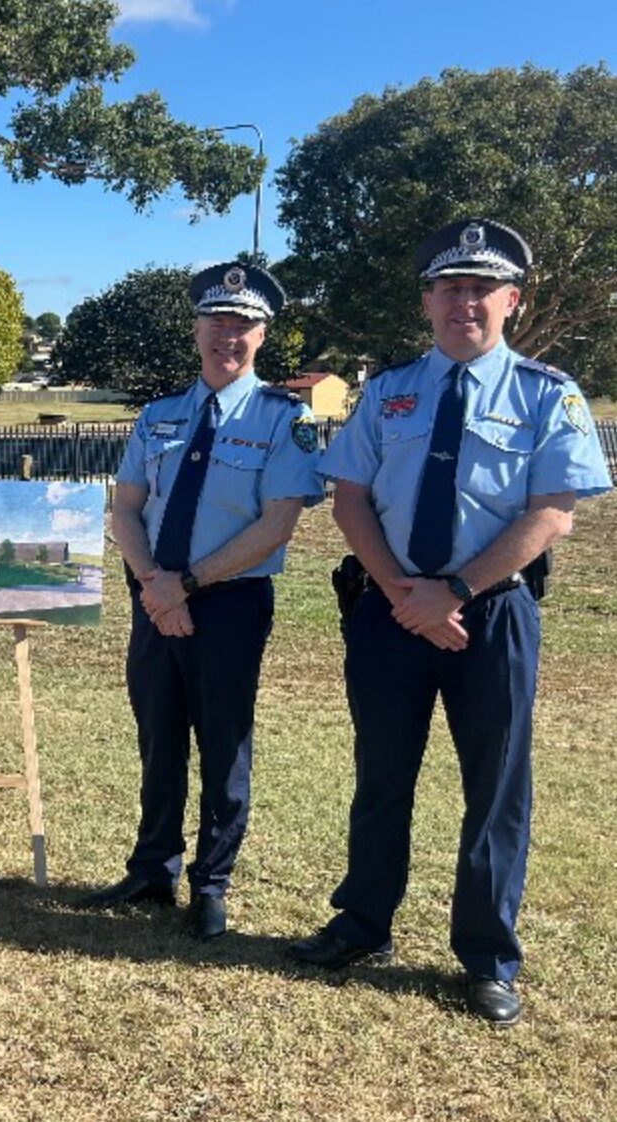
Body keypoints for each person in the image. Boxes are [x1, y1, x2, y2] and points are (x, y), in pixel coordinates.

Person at [289, 218, 612, 1025]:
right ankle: (363, 926)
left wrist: (454, 590)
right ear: (427, 301)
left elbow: (552, 513)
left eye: (481, 288)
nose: (464, 301)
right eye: (449, 287)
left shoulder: (548, 393)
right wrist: (403, 592)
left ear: (510, 300)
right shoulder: (389, 390)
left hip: (491, 613)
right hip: (388, 607)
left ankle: (487, 957)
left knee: (496, 790)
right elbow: (351, 497)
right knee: (381, 777)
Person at [83, 263, 323, 938]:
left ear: (262, 335)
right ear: (196, 330)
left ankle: (211, 884)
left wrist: (182, 586)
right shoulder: (160, 417)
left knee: (224, 744)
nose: (229, 337)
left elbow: (276, 526)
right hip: (155, 597)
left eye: (243, 325)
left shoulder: (284, 420)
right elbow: (125, 508)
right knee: (159, 737)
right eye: (218, 322)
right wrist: (156, 586)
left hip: (228, 603)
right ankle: (152, 868)